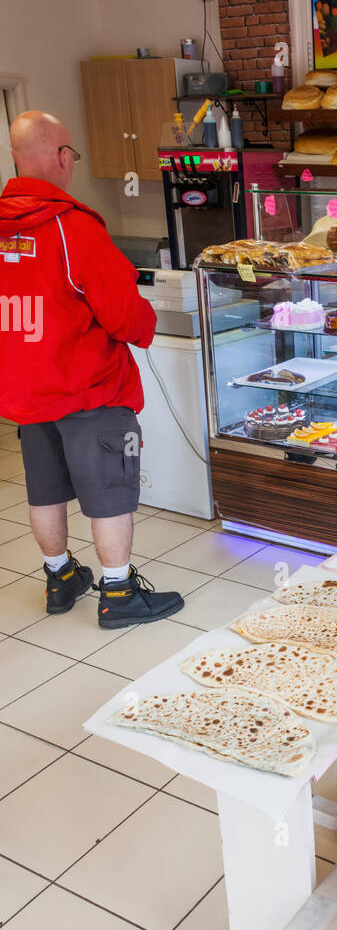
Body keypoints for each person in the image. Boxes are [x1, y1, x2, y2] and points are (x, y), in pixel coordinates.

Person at [0, 111, 184, 627]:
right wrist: (147, 326)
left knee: (45, 489)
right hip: (89, 390)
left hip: (25, 393)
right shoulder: (72, 226)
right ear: (62, 156)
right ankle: (120, 594)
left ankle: (59, 579)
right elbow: (125, 316)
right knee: (109, 490)